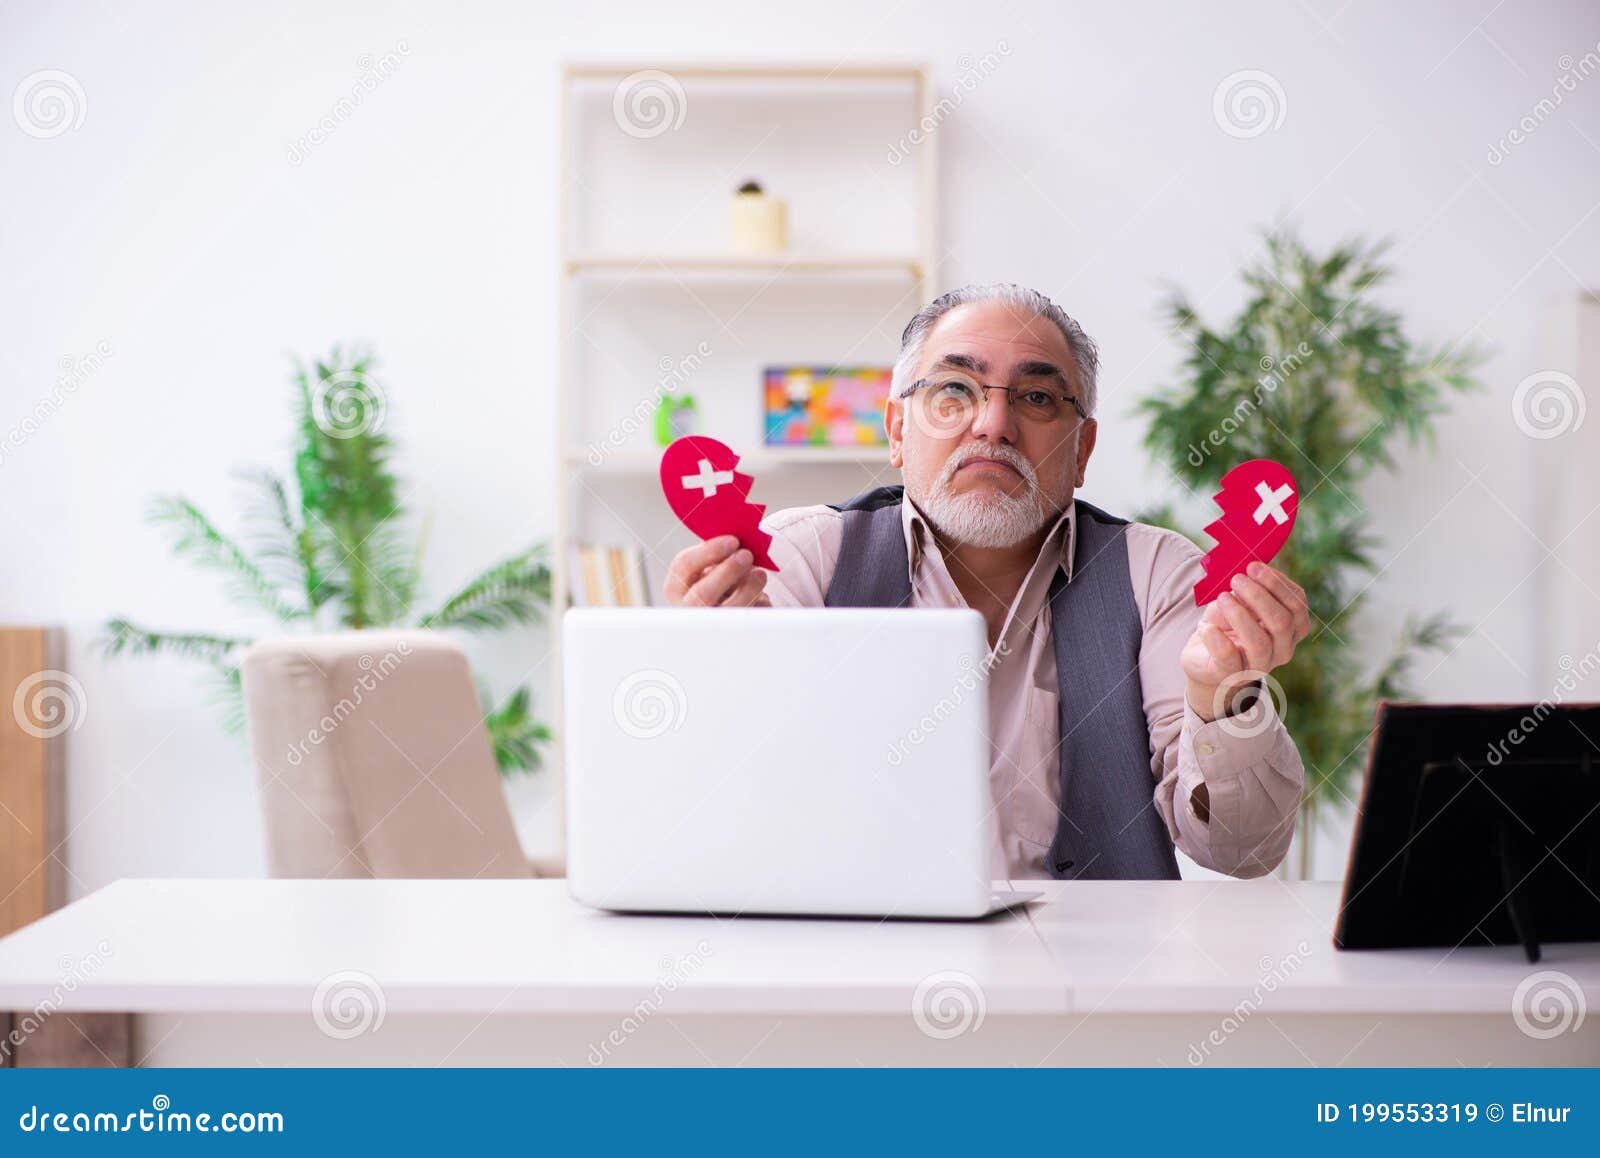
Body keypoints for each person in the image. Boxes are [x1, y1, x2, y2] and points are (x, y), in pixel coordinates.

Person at [662, 283, 1309, 881]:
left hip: (1097, 985)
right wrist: (712, 675)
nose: (993, 424)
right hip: (855, 971)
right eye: (954, 390)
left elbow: (1243, 850)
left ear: (1082, 451)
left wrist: (1219, 698)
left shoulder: (1157, 576)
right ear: (896, 429)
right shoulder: (796, 560)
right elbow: (712, 810)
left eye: (1035, 397)